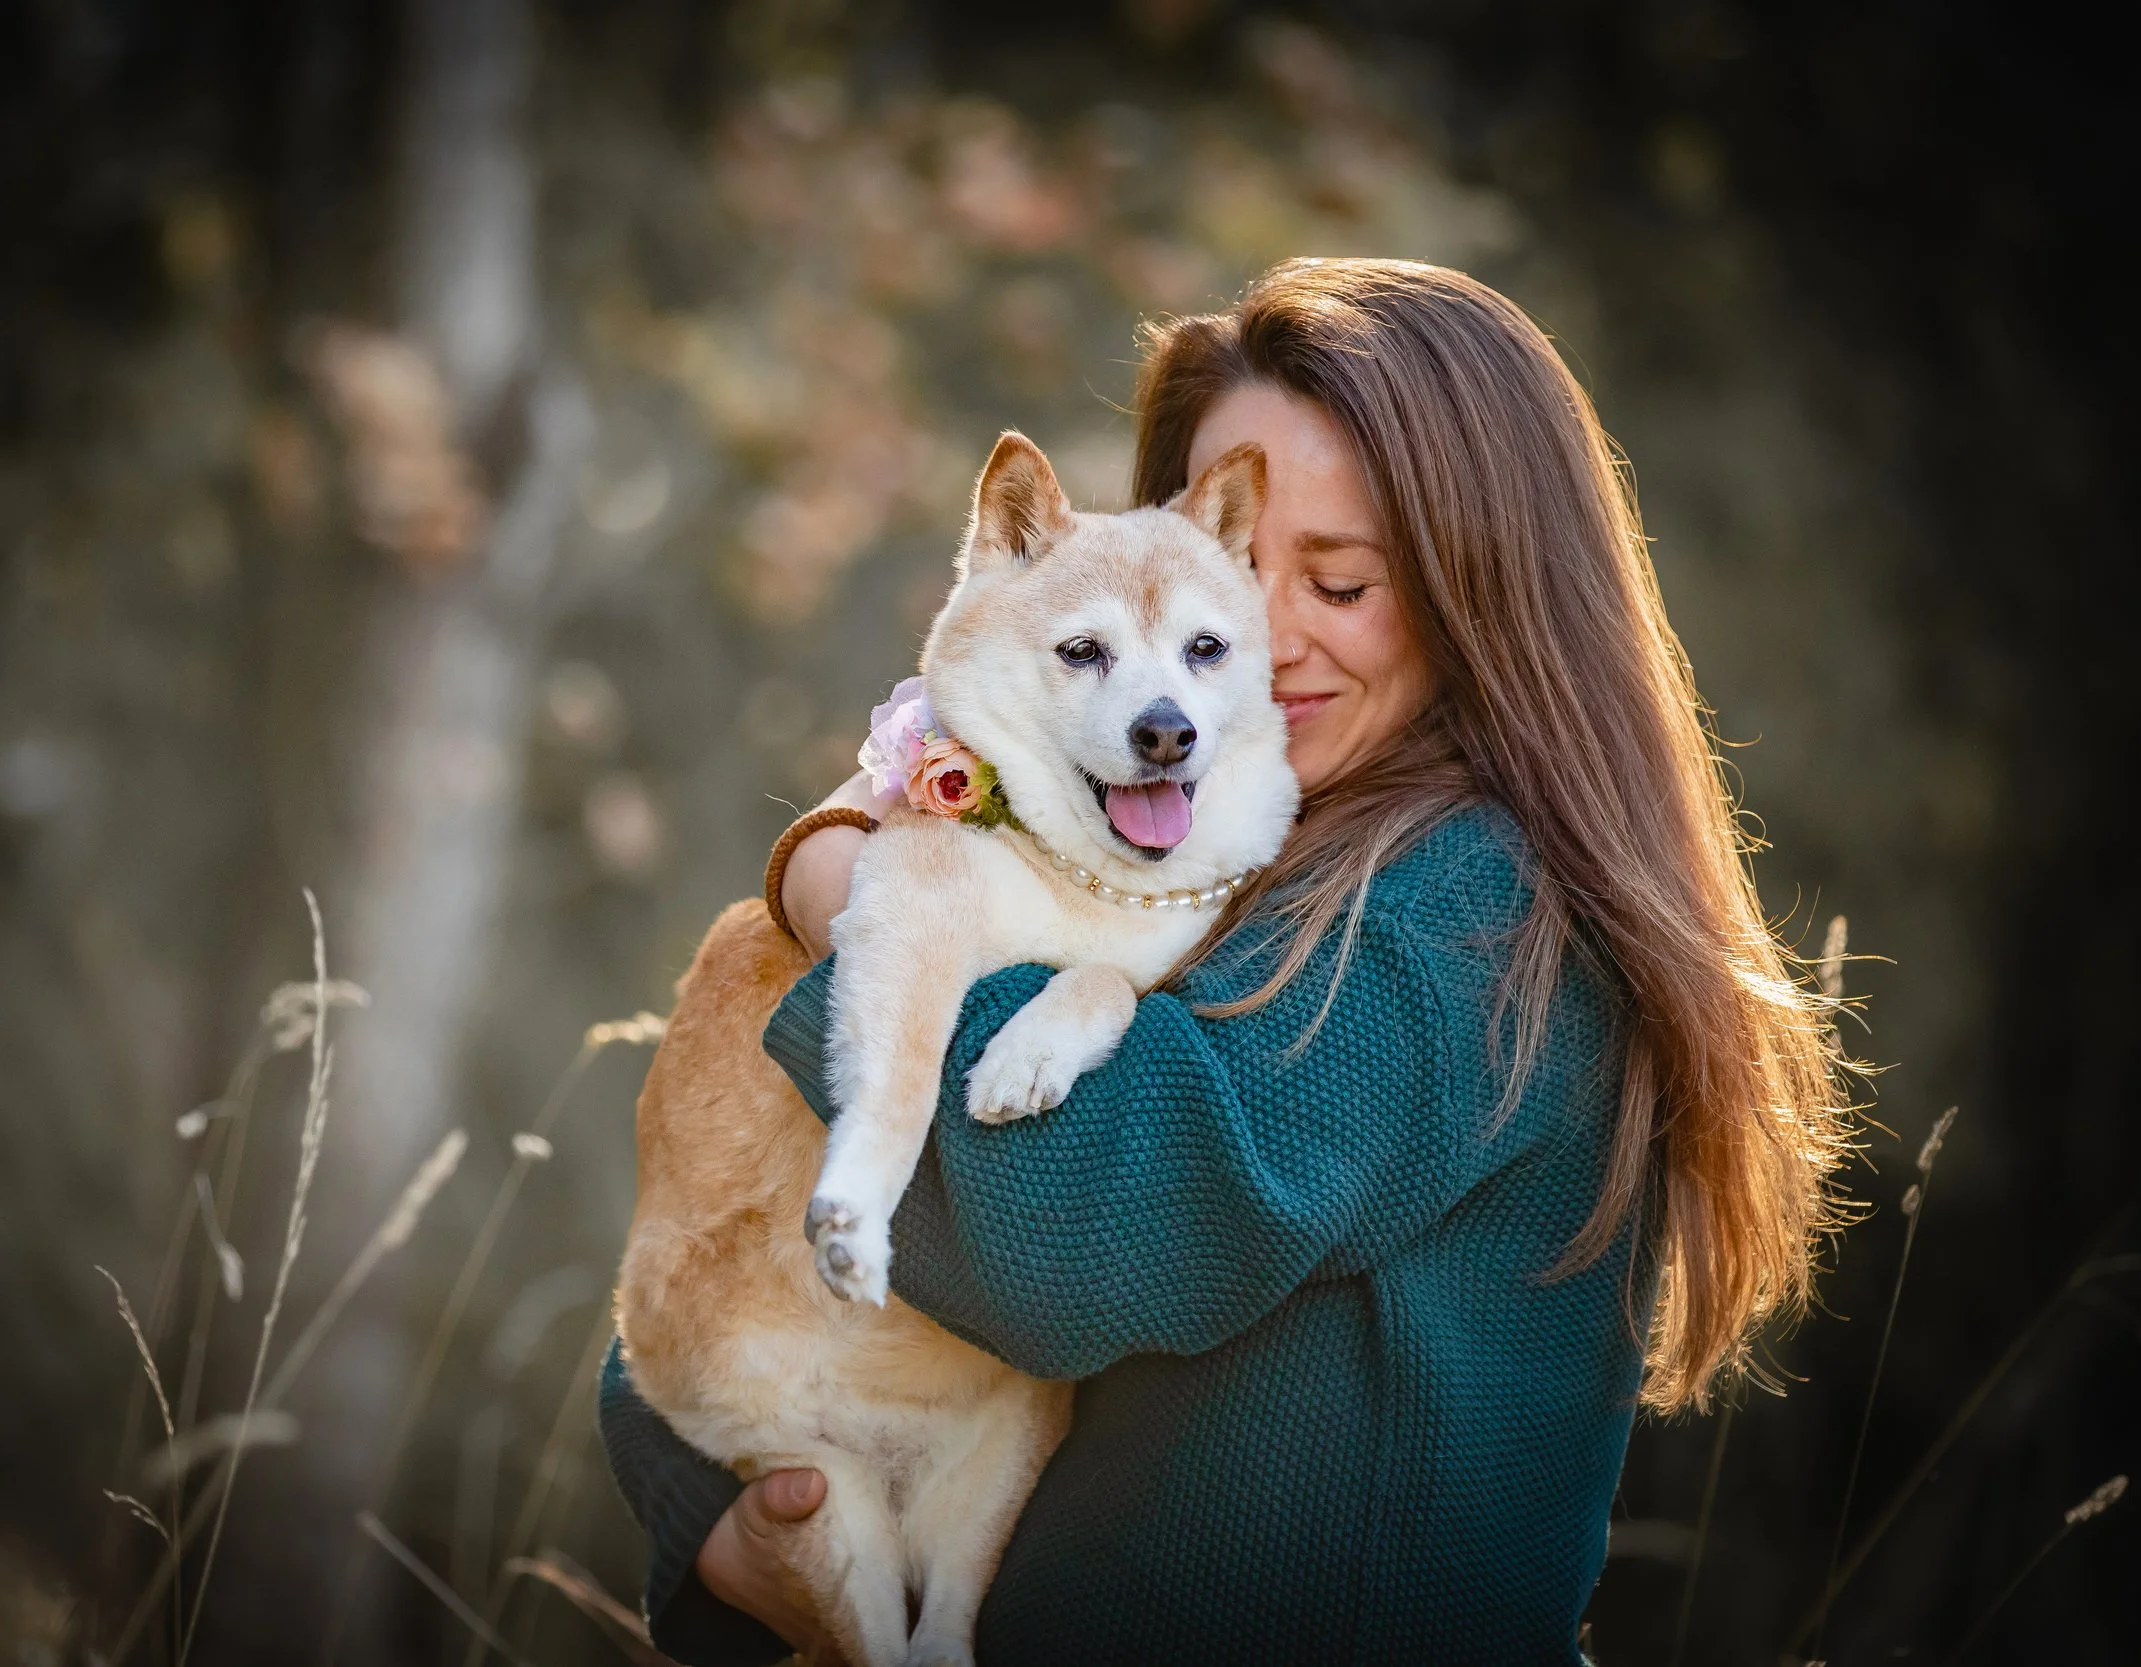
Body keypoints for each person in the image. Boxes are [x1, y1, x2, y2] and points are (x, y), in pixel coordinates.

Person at [597, 257, 1852, 1664]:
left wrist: (850, 882)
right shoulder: (1211, 859)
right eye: (1224, 558)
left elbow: (1070, 1248)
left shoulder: (1477, 918)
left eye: (1341, 580)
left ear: (1482, 593)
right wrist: (711, 1518)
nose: (1251, 639)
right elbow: (721, 1269)